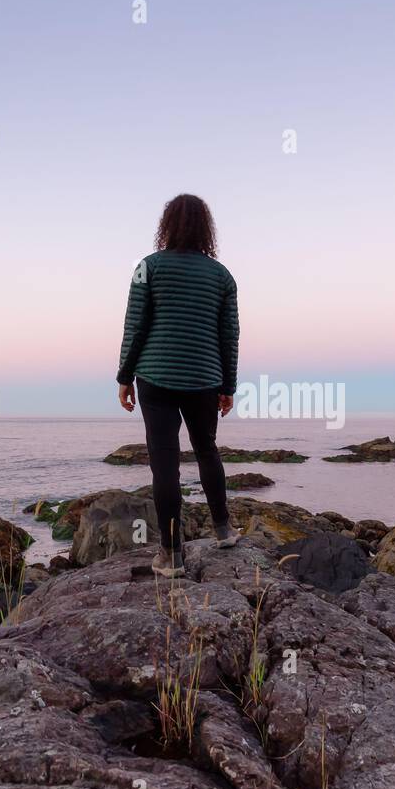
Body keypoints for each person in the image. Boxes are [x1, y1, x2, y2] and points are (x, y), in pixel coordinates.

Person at [115, 194, 240, 577]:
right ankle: (223, 530)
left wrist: (124, 375)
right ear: (207, 229)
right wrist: (228, 386)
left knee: (164, 463)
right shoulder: (222, 276)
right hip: (205, 378)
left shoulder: (147, 267)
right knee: (207, 451)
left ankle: (171, 556)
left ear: (166, 225)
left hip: (155, 377)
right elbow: (229, 335)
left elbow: (135, 327)